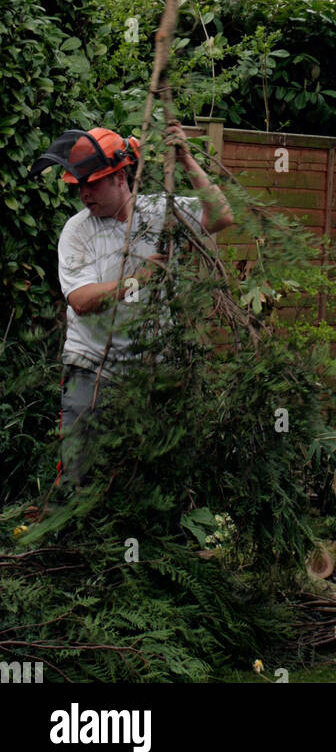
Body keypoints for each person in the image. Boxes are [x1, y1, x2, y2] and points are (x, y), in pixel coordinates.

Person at [29, 121, 234, 485]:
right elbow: (80, 300)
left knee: (148, 476)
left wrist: (186, 160)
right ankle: (74, 533)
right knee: (81, 471)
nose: (84, 196)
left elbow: (220, 217)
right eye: (79, 188)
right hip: (92, 365)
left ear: (120, 176)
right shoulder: (78, 231)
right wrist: (136, 281)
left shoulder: (156, 212)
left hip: (150, 367)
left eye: (92, 185)